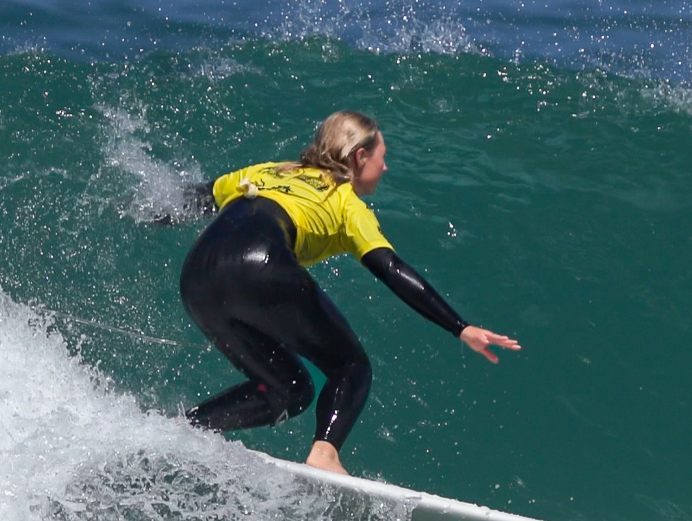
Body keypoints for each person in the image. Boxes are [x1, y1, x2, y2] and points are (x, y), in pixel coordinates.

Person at [178, 110, 519, 474]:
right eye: (382, 157)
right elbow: (389, 268)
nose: (384, 168)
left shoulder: (268, 172)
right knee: (350, 367)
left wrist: (136, 211)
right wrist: (459, 327)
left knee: (290, 391)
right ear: (360, 157)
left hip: (198, 276)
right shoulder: (345, 202)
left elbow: (189, 200)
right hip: (262, 265)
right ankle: (325, 454)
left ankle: (180, 432)